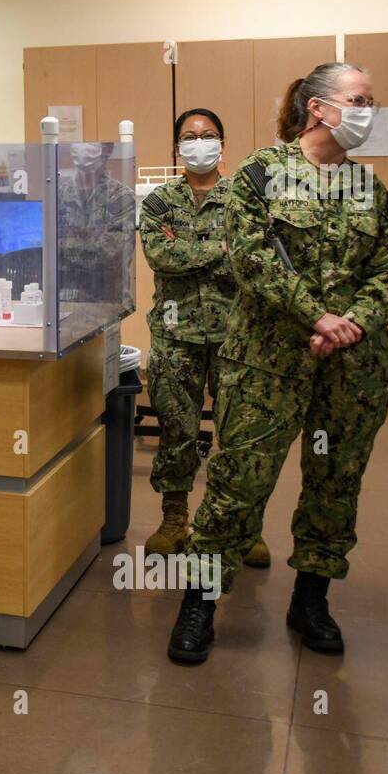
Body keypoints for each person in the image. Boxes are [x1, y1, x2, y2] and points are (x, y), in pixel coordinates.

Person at [166, 62, 388, 665]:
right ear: (318, 108)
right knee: (237, 482)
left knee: (335, 484)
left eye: (371, 101)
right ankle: (200, 603)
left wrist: (351, 321)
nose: (368, 111)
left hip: (352, 368)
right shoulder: (260, 174)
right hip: (267, 365)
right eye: (359, 100)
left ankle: (311, 600)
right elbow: (251, 260)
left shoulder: (369, 188)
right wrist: (316, 316)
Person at [139, 108, 268, 567]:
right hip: (176, 336)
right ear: (178, 148)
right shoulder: (159, 202)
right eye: (190, 136)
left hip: (236, 335)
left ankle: (243, 528)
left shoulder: (243, 199)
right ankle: (174, 520)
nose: (199, 143)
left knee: (240, 435)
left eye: (208, 135)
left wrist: (191, 249)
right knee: (177, 431)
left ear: (223, 145)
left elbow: (251, 258)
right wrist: (220, 248)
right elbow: (160, 255)